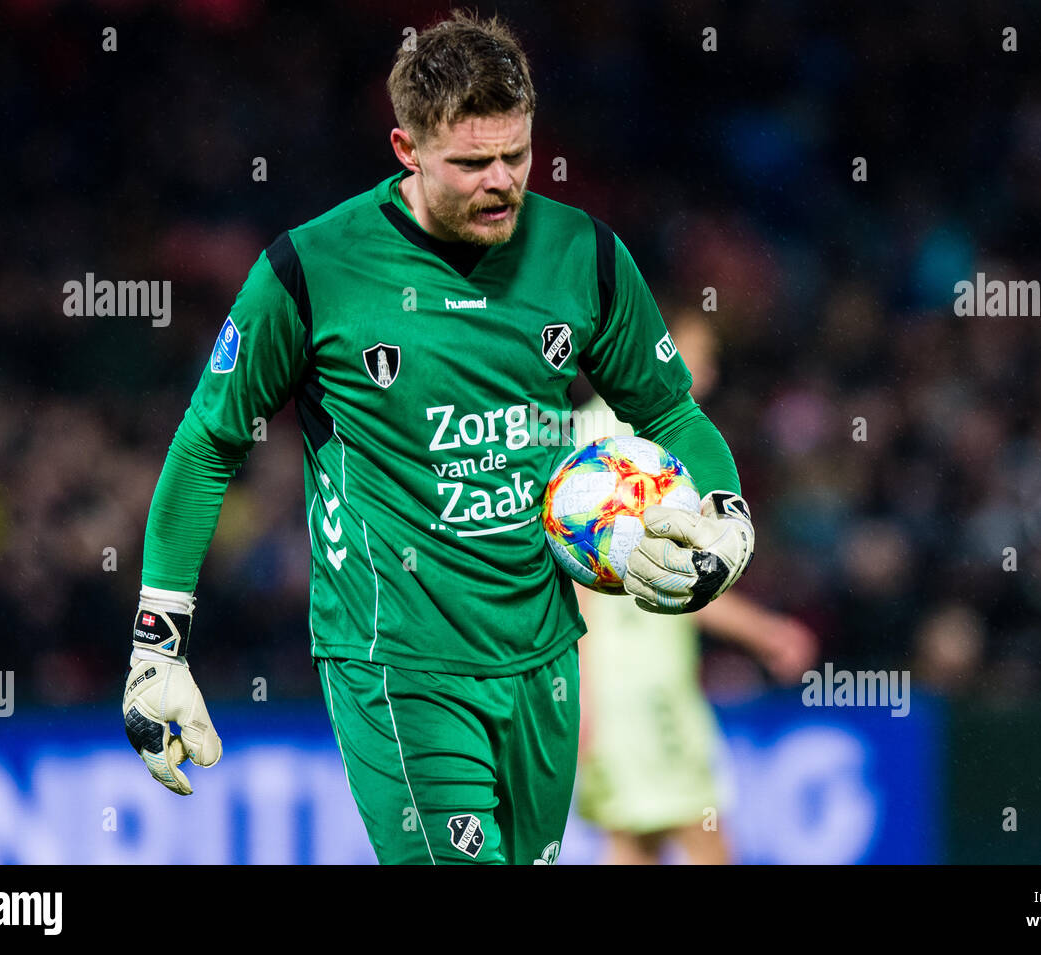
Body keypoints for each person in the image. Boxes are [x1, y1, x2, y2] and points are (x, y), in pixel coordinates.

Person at [121, 10, 756, 865]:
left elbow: (672, 412)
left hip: (544, 654)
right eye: (471, 163)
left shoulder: (585, 255)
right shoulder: (311, 271)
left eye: (517, 155)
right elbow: (208, 444)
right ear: (405, 148)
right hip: (397, 663)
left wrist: (725, 510)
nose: (501, 181)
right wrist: (159, 642)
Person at [573, 312, 818, 864]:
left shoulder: (599, 428)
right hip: (638, 688)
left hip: (624, 687)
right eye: (692, 358)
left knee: (634, 842)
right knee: (706, 841)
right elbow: (591, 578)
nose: (702, 374)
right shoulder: (626, 447)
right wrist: (583, 691)